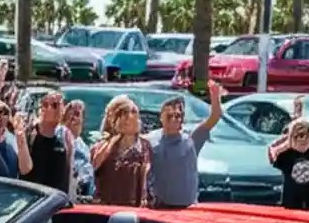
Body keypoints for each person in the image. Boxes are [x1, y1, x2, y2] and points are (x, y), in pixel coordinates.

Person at [146, 80, 223, 208]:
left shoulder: (191, 138)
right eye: (169, 116)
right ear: (161, 117)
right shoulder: (149, 140)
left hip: (187, 207)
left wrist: (215, 97)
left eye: (177, 116)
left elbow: (214, 117)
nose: (174, 119)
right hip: (160, 207)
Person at [268, 97, 309, 211]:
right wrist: (287, 143)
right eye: (296, 135)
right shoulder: (285, 155)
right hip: (290, 204)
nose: (301, 138)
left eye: (304, 134)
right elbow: (273, 156)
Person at [90, 94, 150, 207]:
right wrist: (116, 138)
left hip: (136, 210)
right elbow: (94, 165)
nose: (128, 117)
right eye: (123, 113)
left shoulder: (145, 146)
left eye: (133, 112)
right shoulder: (101, 146)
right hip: (107, 210)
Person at [23, 91, 75, 193]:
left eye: (61, 106)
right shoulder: (30, 133)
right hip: (35, 197)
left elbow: (68, 172)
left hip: (58, 200)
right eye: (55, 105)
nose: (60, 110)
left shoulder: (65, 135)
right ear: (43, 108)